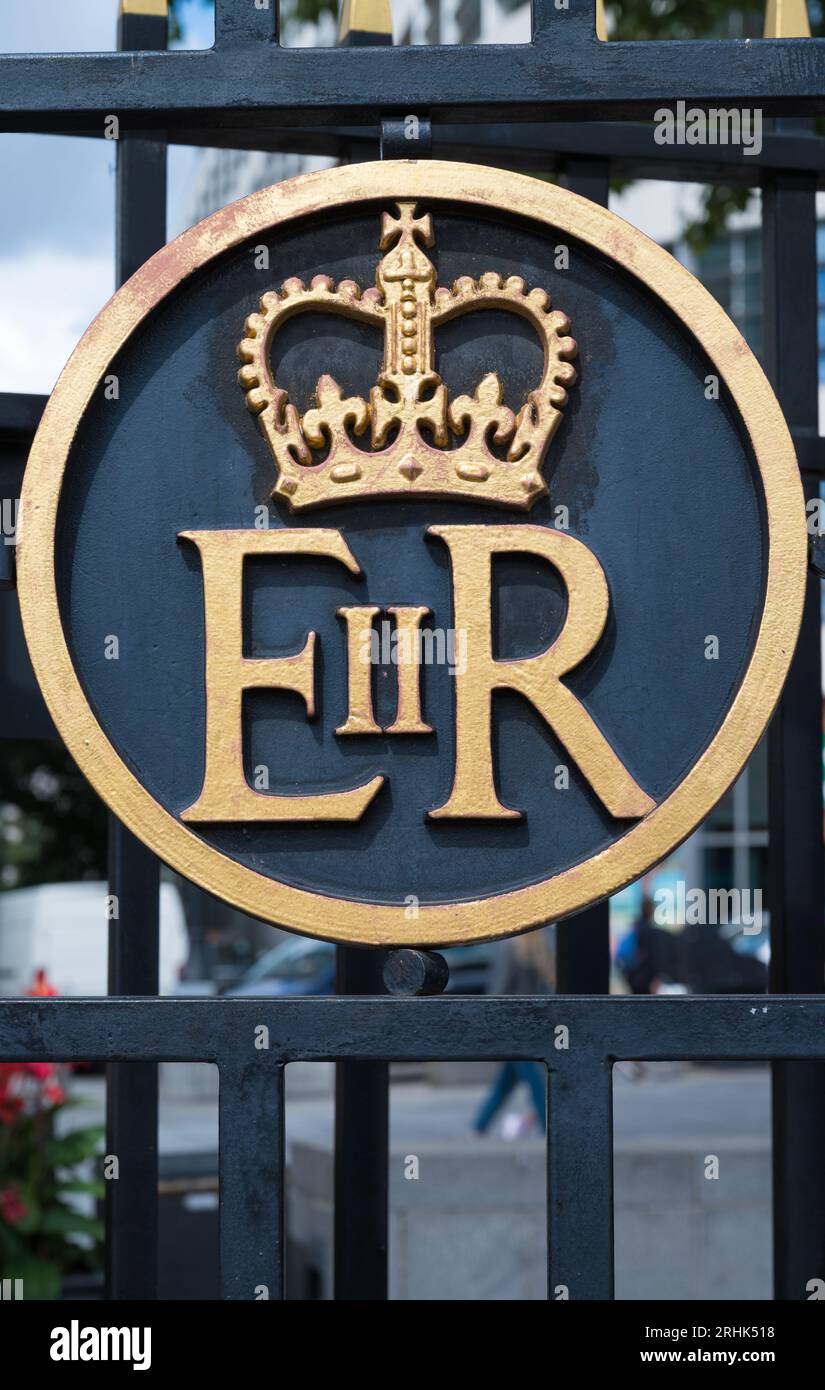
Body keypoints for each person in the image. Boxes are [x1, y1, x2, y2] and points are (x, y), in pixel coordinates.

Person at [472, 931, 554, 1136]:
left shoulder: (512, 946)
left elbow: (499, 987)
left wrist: (488, 1019)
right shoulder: (539, 946)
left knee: (508, 1083)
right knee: (530, 1082)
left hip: (512, 1026)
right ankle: (548, 1131)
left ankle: (477, 1129)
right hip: (529, 1026)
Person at [615, 895, 678, 995]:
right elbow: (653, 957)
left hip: (633, 974)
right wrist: (656, 977)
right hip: (644, 977)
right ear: (651, 911)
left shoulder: (636, 927)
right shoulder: (649, 931)